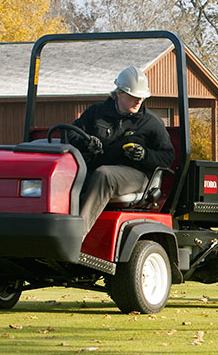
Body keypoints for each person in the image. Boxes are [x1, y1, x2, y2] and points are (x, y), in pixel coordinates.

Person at [70, 66, 175, 237]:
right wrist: (84, 142)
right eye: (134, 97)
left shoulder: (151, 123)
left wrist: (144, 155)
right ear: (119, 93)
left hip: (137, 175)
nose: (139, 101)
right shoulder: (96, 113)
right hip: (94, 168)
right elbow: (71, 133)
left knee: (105, 175)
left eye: (141, 97)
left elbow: (167, 157)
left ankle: (76, 236)